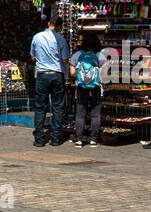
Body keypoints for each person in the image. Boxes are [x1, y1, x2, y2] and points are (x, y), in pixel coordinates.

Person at [30, 13, 70, 148]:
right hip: (57, 74)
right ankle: (55, 138)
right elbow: (65, 60)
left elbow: (33, 57)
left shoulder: (36, 37)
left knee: (40, 107)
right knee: (57, 107)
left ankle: (39, 139)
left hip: (42, 75)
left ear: (48, 24)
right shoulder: (61, 39)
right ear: (59, 27)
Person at [71, 32, 103, 148]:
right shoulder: (100, 55)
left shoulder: (77, 55)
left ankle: (79, 140)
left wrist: (81, 77)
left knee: (80, 114)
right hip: (96, 87)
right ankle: (93, 140)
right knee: (95, 114)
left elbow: (72, 72)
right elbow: (105, 73)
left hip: (81, 87)